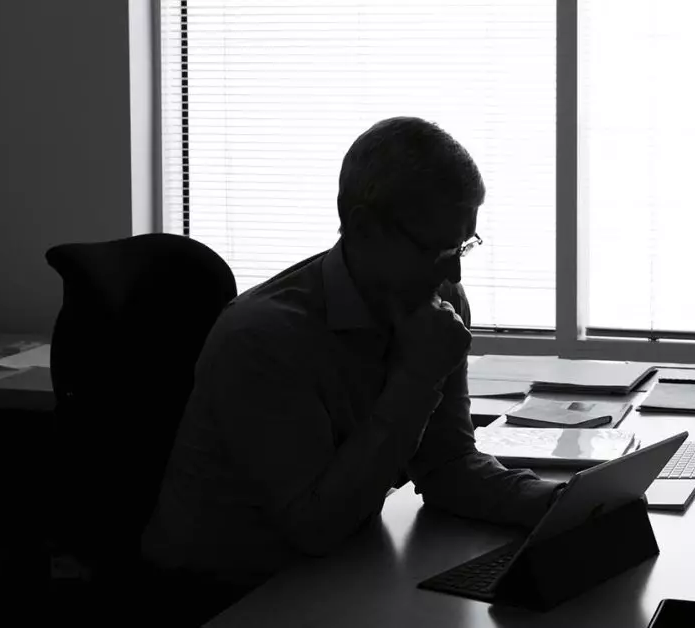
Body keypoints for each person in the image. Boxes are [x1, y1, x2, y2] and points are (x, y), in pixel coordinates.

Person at [142, 116, 565, 589]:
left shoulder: (436, 301)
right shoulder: (262, 338)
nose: (455, 276)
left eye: (463, 246)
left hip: (336, 571)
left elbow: (447, 465)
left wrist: (553, 503)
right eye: (438, 250)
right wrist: (417, 377)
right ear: (364, 229)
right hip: (219, 593)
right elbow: (315, 526)